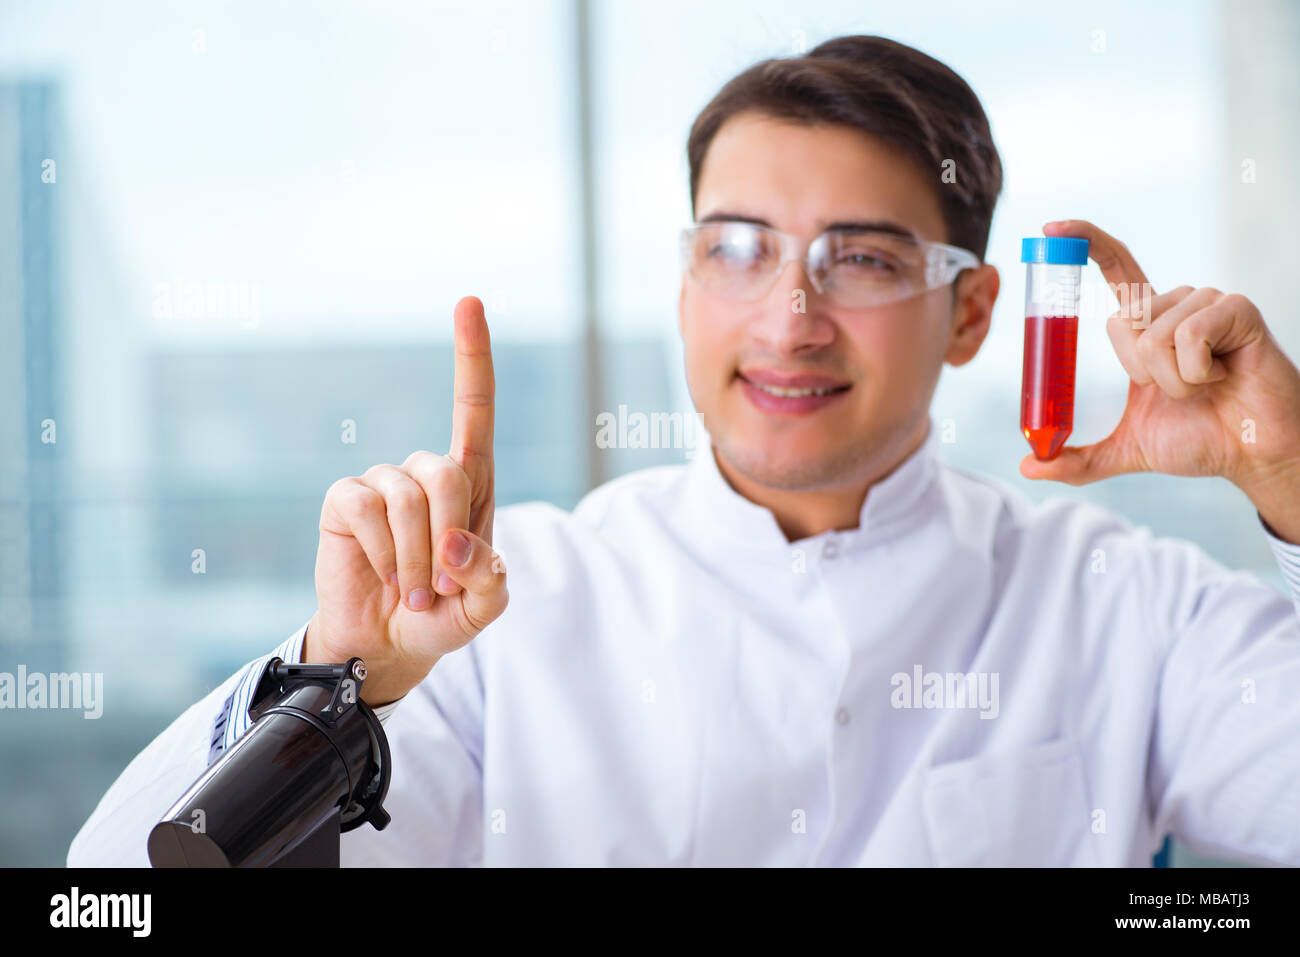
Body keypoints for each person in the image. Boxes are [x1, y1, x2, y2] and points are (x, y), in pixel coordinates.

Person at [69, 34, 1300, 867]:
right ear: (685, 278)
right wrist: (338, 684)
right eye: (738, 246)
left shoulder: (1119, 598)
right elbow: (113, 893)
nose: (788, 317)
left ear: (971, 313)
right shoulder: (490, 611)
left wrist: (1291, 478)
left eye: (861, 257)